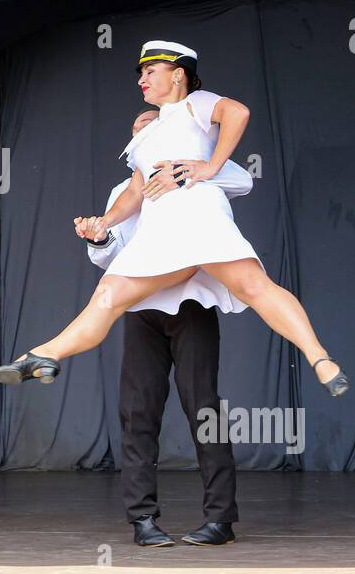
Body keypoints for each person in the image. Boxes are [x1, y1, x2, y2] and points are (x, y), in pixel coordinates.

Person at [0, 40, 348, 397]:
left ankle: (320, 358)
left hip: (196, 214)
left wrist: (208, 166)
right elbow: (135, 192)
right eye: (141, 74)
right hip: (160, 229)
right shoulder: (147, 136)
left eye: (150, 72)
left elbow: (237, 113)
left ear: (178, 75)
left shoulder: (194, 103)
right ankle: (45, 355)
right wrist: (105, 222)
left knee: (253, 286)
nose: (141, 81)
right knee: (108, 295)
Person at [83, 108, 251, 547]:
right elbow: (108, 255)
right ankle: (142, 520)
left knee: (205, 411)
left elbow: (242, 181)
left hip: (191, 302)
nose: (145, 132)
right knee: (137, 413)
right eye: (139, 126)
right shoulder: (124, 191)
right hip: (143, 309)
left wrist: (196, 167)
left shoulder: (197, 172)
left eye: (155, 124)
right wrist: (98, 237)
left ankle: (220, 520)